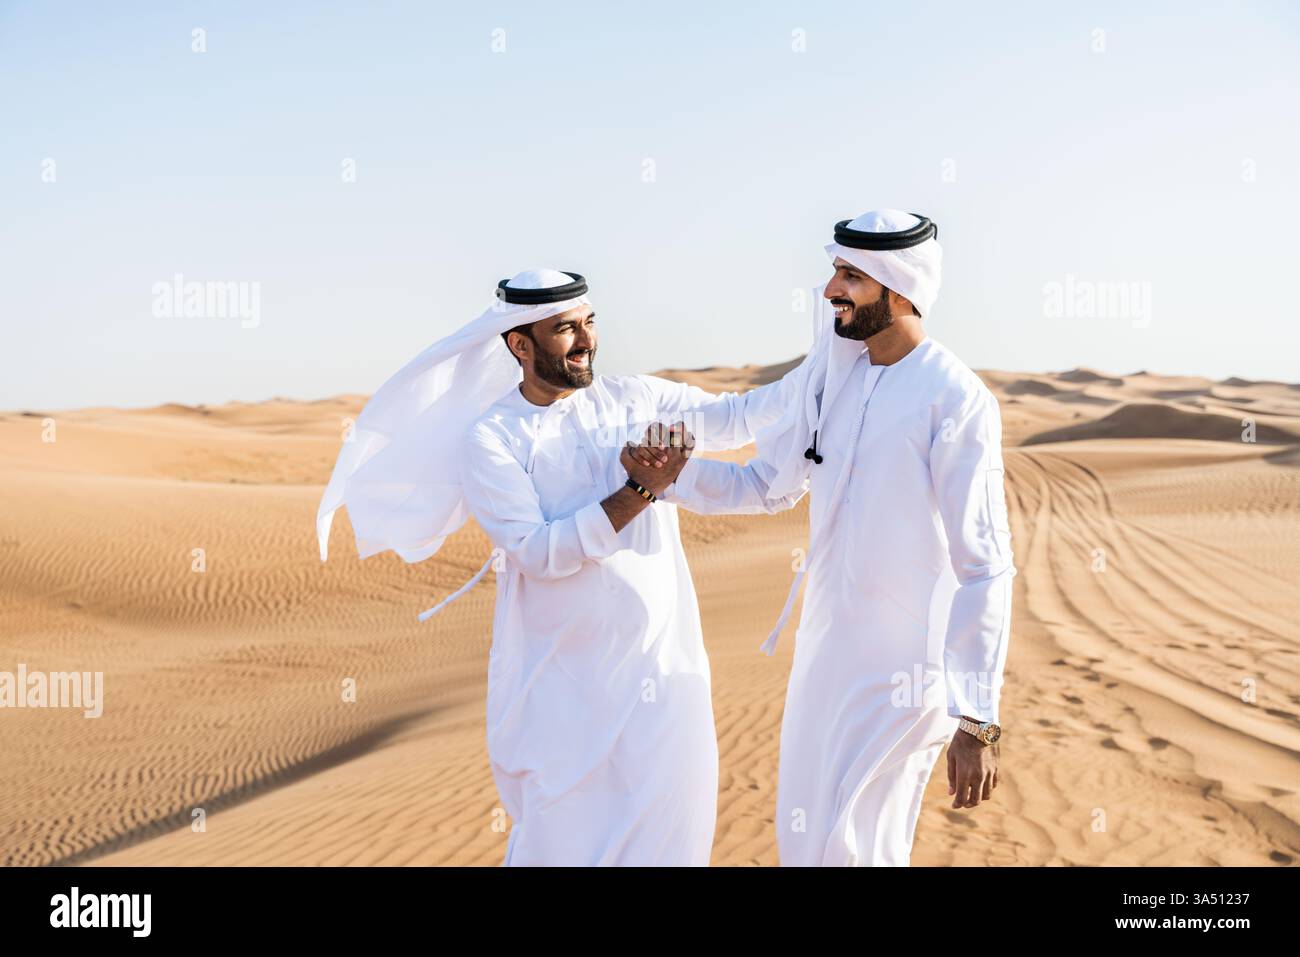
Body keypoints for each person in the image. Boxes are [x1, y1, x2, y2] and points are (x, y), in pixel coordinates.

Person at [319, 268, 788, 865]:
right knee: (562, 844)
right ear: (520, 344)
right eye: (565, 328)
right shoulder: (492, 439)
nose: (587, 339)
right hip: (561, 693)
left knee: (671, 839)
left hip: (660, 678)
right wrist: (639, 491)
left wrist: (839, 361)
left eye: (589, 322)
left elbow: (743, 418)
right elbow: (541, 554)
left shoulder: (634, 400)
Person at [633, 211, 1015, 866]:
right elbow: (764, 480)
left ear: (899, 289)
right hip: (824, 658)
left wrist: (975, 716)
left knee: (857, 849)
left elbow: (985, 565)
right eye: (835, 271)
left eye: (850, 277)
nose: (831, 288)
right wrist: (670, 474)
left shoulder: (955, 400)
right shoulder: (830, 376)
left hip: (906, 673)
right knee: (805, 842)